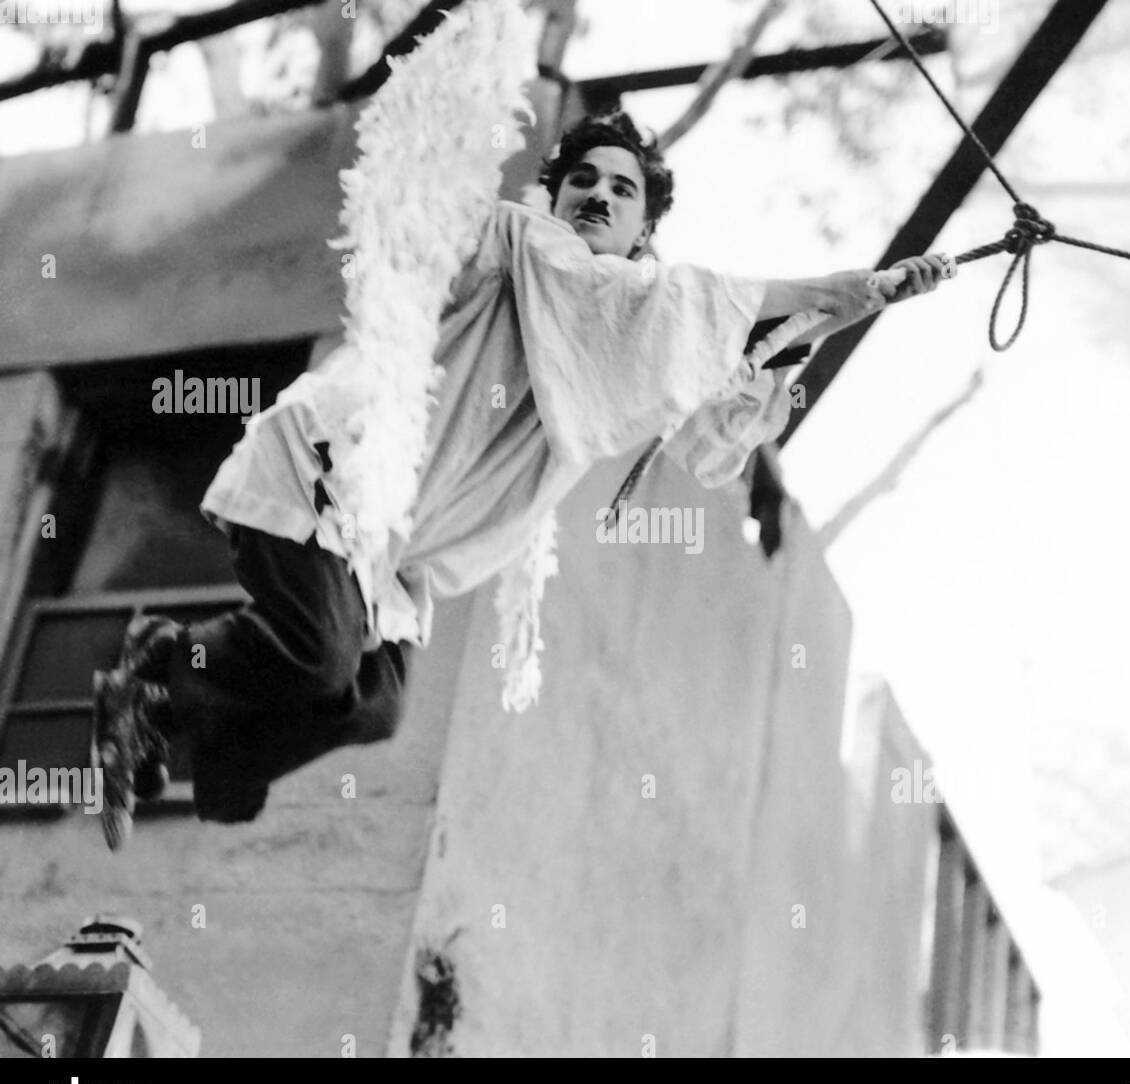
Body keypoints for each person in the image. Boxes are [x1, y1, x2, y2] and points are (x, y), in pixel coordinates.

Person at [92, 110, 949, 849]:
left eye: (623, 191)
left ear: (644, 230)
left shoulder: (634, 342)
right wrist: (841, 287)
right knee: (321, 660)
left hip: (390, 551)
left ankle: (170, 721)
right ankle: (165, 660)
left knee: (375, 703)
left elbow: (723, 390)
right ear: (554, 193)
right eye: (583, 179)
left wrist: (867, 301)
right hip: (330, 475)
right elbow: (666, 309)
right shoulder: (523, 241)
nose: (599, 197)